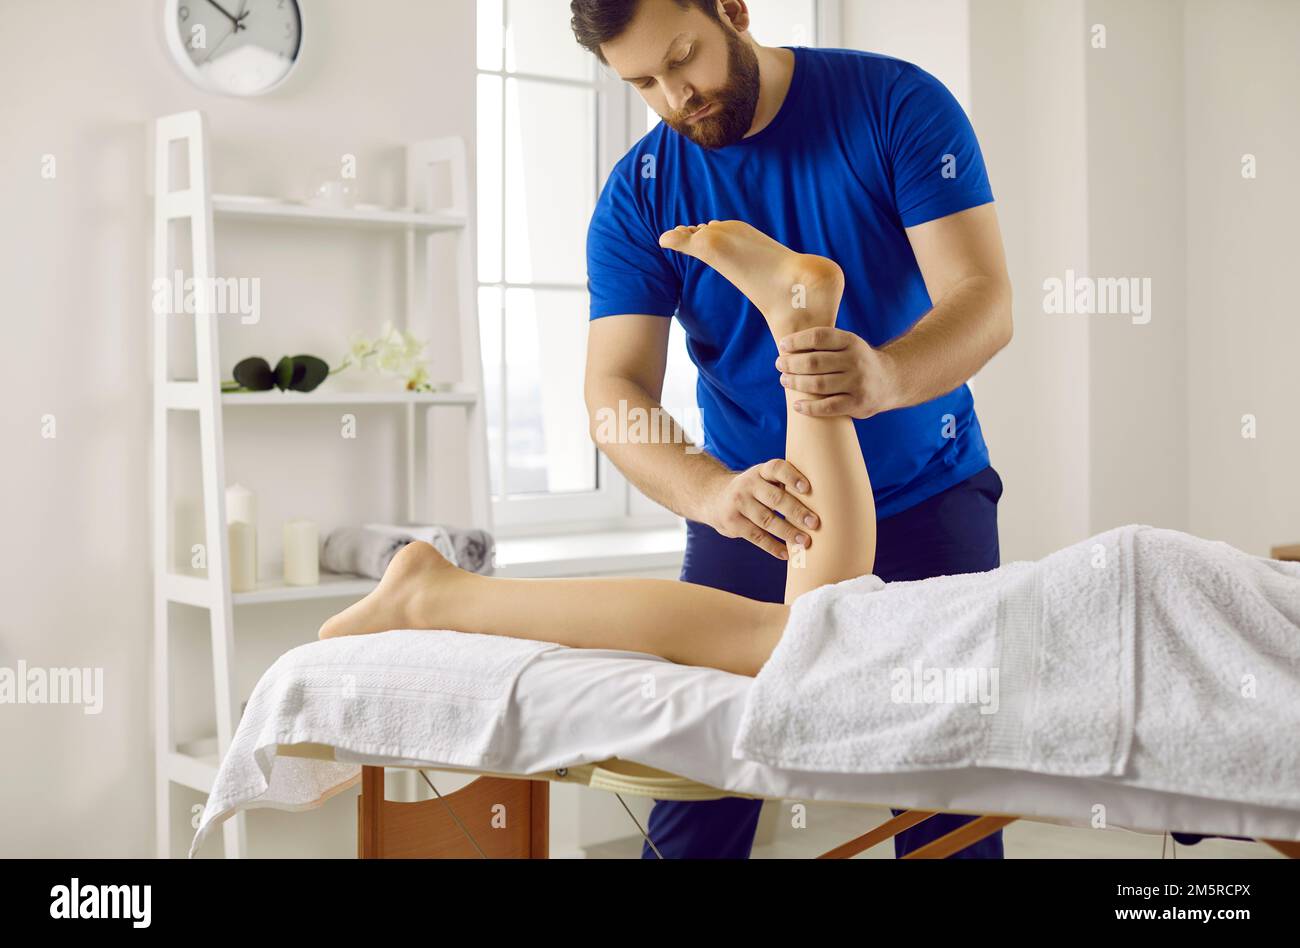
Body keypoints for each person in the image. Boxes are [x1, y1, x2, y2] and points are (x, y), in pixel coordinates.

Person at [570, 0, 1014, 856]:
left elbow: (984, 302)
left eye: (684, 58)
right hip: (754, 512)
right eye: (641, 83)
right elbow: (614, 389)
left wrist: (885, 375)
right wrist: (710, 493)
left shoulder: (892, 104)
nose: (672, 98)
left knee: (944, 798)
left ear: (732, 9)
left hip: (933, 490)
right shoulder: (642, 191)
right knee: (701, 793)